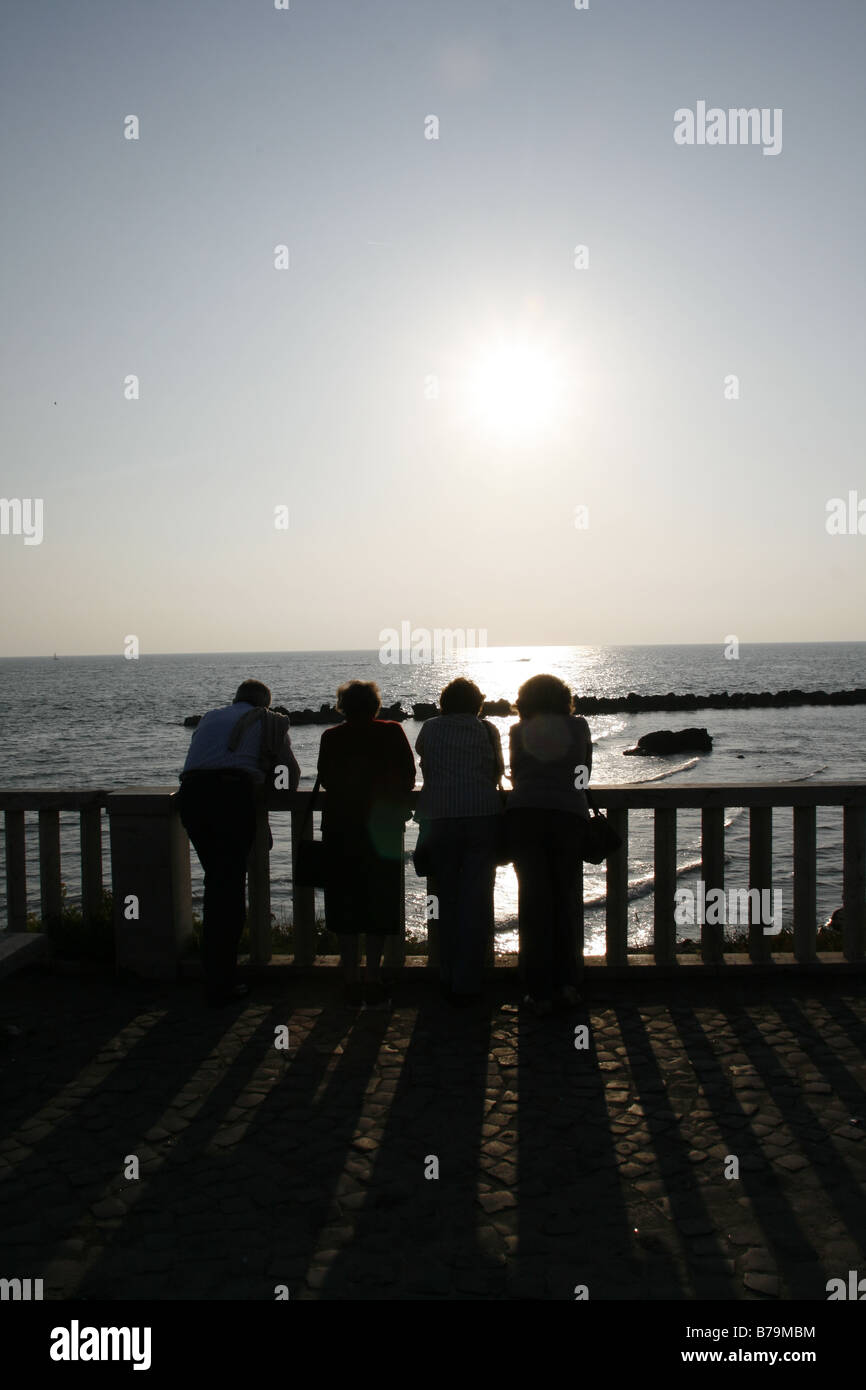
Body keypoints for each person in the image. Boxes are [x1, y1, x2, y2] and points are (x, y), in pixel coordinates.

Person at [177, 679, 300, 1006]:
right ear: (265, 703)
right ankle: (221, 981)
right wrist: (272, 792)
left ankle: (215, 970)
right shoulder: (270, 720)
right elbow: (290, 774)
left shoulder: (210, 717)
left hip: (191, 797)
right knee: (228, 888)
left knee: (218, 881)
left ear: (235, 699)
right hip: (229, 798)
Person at [317, 681, 415, 1008]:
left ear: (343, 706)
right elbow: (407, 776)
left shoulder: (331, 737)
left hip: (341, 828)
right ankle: (373, 978)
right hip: (383, 828)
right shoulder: (392, 731)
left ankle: (349, 979)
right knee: (379, 900)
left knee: (345, 901)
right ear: (375, 705)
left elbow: (328, 779)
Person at [505, 673, 592, 1015]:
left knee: (533, 901)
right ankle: (567, 984)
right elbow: (584, 772)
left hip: (525, 816)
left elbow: (517, 771)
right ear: (562, 698)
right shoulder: (579, 727)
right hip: (568, 816)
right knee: (565, 899)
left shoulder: (516, 731)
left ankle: (536, 989)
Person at [414, 678, 504, 1005]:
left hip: (438, 819)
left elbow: (424, 757)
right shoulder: (488, 730)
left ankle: (446, 970)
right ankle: (470, 977)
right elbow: (497, 772)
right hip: (482, 817)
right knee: (476, 899)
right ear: (477, 702)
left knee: (444, 898)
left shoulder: (430, 728)